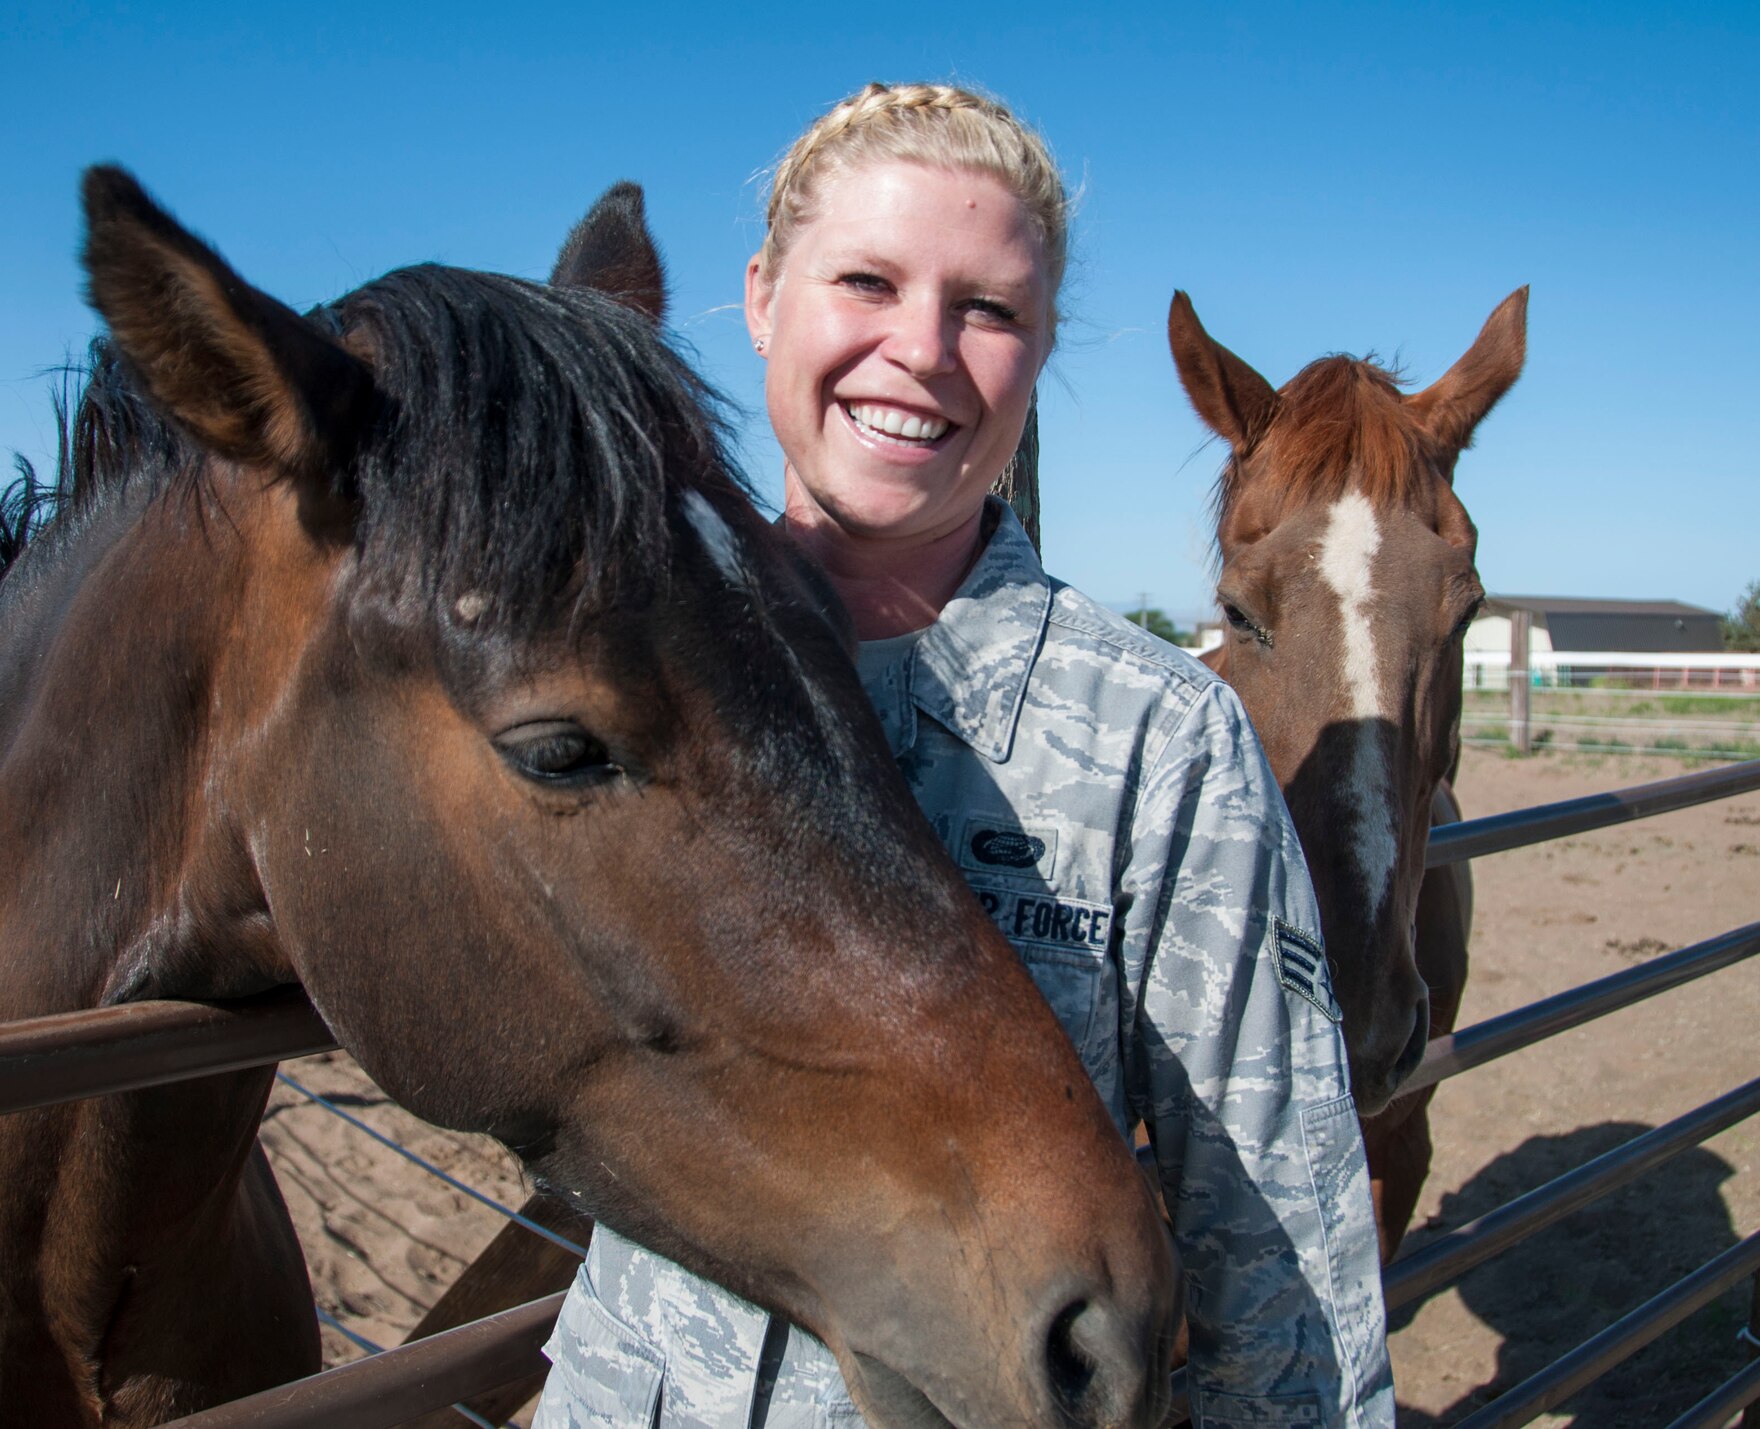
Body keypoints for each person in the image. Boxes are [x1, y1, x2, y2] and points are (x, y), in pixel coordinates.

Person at [535, 82, 1394, 1428]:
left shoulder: (1156, 742)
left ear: (1040, 349)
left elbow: (1276, 1244)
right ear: (763, 296)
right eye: (866, 280)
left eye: (987, 309)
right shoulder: (603, 664)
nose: (922, 350)